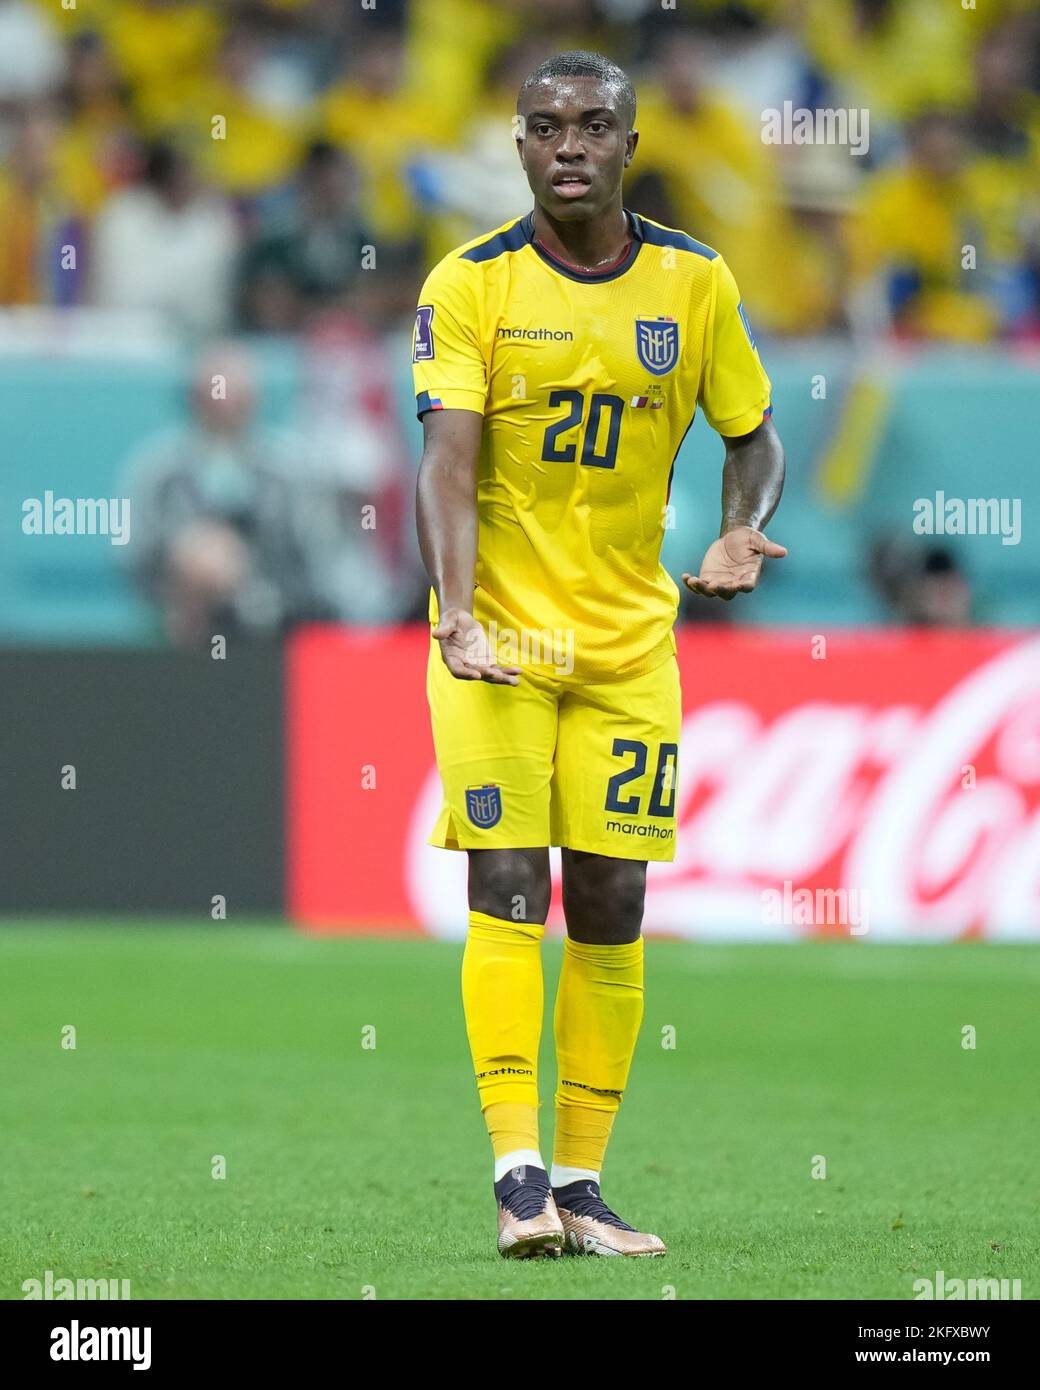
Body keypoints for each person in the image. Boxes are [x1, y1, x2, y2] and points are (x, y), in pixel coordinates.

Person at [413, 50, 786, 1260]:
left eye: (590, 126)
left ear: (631, 144)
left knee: (615, 900)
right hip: (498, 646)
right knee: (508, 881)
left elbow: (751, 432)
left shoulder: (693, 281)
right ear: (516, 148)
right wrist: (455, 610)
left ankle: (580, 1179)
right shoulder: (468, 285)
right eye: (540, 127)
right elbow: (446, 466)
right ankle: (515, 1171)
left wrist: (738, 528)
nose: (564, 145)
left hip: (630, 648)